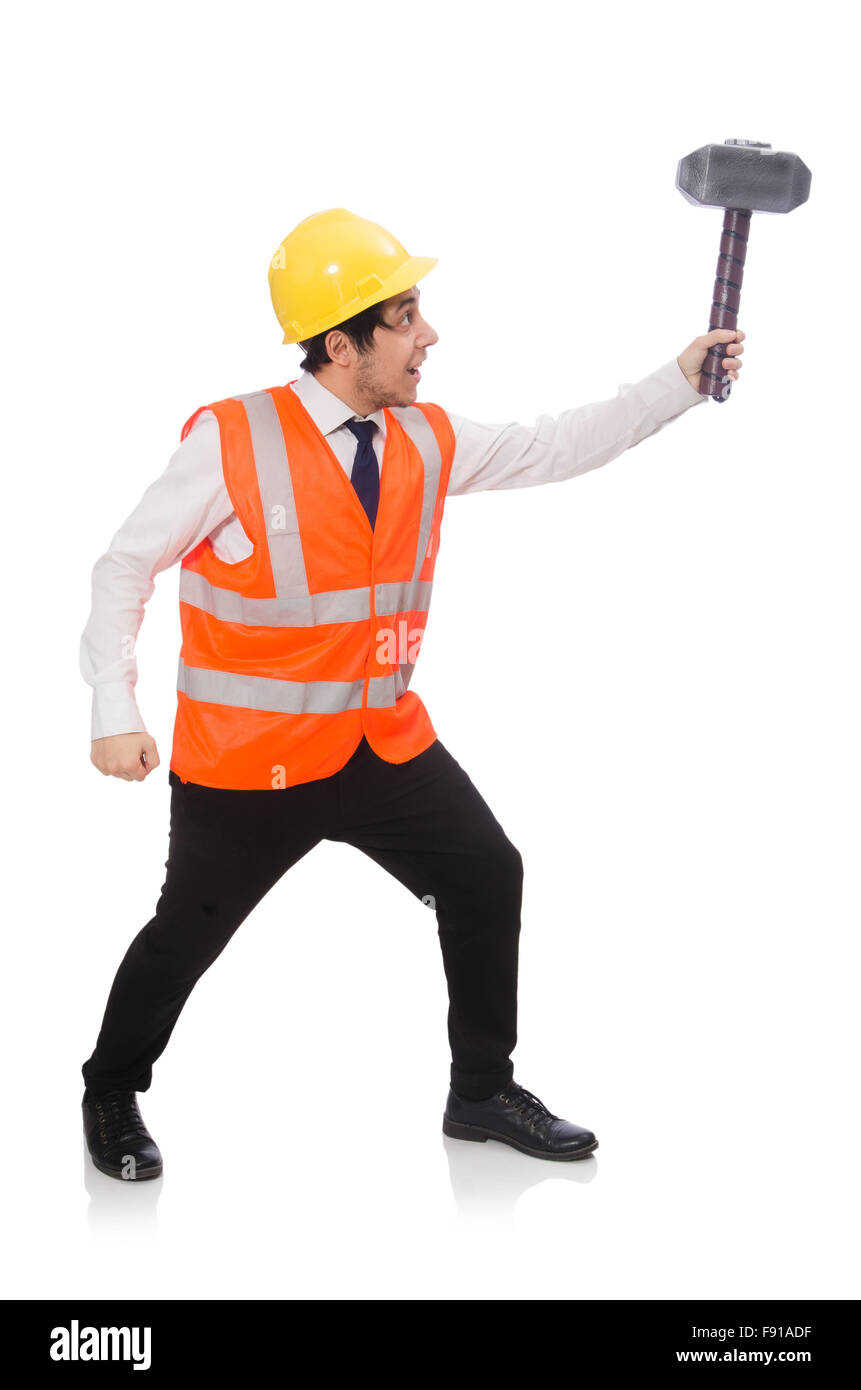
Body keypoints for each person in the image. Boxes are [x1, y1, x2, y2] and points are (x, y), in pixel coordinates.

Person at [79, 207, 744, 1180]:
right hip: (249, 764)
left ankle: (480, 1091)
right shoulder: (234, 441)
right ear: (342, 345)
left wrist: (678, 382)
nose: (428, 336)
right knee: (187, 929)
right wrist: (112, 708)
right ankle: (109, 1088)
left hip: (379, 744)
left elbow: (556, 444)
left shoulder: (422, 438)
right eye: (406, 318)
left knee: (486, 872)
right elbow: (121, 567)